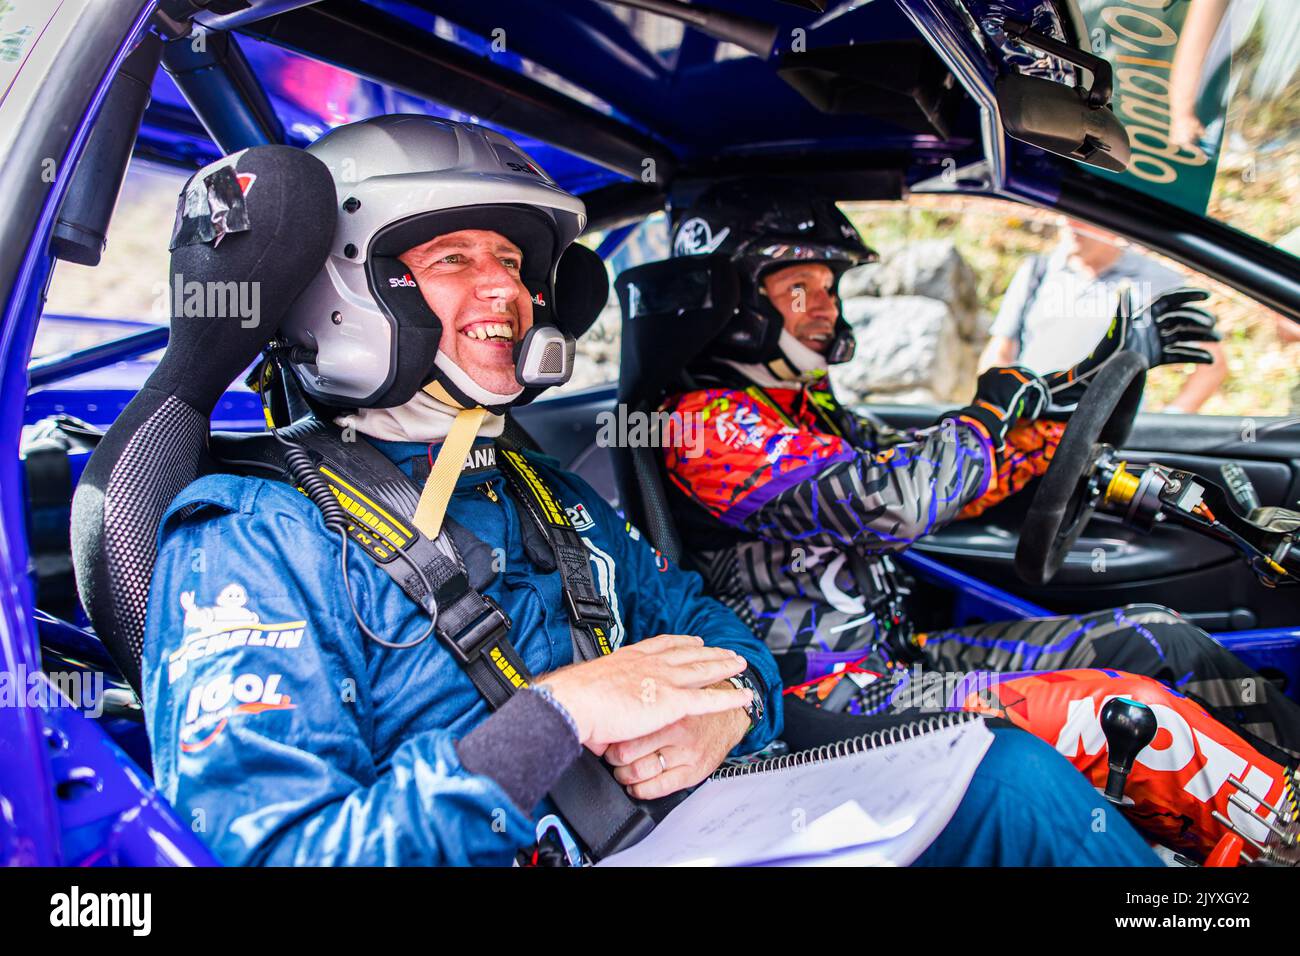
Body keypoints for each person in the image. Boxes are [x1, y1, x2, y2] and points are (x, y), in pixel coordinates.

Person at [140, 116, 1159, 867]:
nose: (506, 292)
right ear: (344, 292)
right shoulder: (250, 533)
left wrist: (733, 706)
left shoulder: (540, 492)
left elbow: (720, 632)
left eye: (514, 262)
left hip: (685, 827)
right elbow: (272, 854)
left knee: (1010, 786)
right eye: (454, 258)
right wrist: (552, 718)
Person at [657, 181, 1298, 860]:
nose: (825, 307)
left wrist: (1075, 394)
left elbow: (951, 477)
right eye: (799, 289)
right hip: (828, 696)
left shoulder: (806, 407)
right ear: (732, 298)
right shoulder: (702, 425)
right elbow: (894, 499)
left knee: (1158, 637)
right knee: (1124, 718)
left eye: (829, 287)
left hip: (896, 656)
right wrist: (986, 414)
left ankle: (1278, 784)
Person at [979, 221, 1226, 414]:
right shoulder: (1039, 270)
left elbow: (1212, 364)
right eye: (1066, 213)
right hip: (1029, 424)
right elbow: (1000, 351)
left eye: (1083, 216)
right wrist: (996, 411)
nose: (1070, 224)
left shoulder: (1157, 280)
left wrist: (1168, 422)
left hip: (1103, 437)